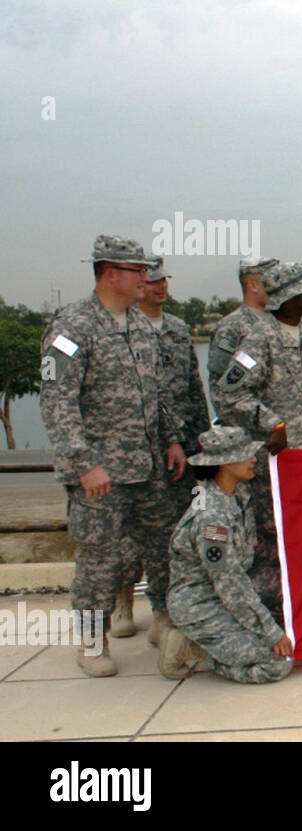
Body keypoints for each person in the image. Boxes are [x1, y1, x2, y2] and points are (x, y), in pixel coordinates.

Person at [39, 234, 188, 676]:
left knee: (165, 549)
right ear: (109, 273)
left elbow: (157, 394)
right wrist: (84, 463)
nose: (146, 277)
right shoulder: (71, 327)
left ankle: (165, 622)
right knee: (101, 561)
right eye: (137, 270)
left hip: (149, 467)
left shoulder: (140, 325)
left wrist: (174, 440)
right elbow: (57, 401)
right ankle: (91, 642)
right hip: (101, 474)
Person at [214, 261, 302, 619]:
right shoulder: (260, 338)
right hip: (275, 464)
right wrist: (272, 422)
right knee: (271, 544)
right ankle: (269, 619)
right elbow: (229, 395)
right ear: (288, 298)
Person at [111, 259, 211, 640]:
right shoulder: (118, 327)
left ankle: (164, 612)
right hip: (125, 451)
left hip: (176, 445)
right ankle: (121, 601)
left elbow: (191, 385)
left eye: (162, 280)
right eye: (151, 280)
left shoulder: (178, 329)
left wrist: (199, 435)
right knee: (123, 537)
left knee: (167, 531)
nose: (159, 286)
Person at [161, 425, 294, 683]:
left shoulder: (237, 494)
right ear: (224, 463)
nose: (254, 459)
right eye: (246, 455)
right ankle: (196, 651)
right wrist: (271, 633)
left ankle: (212, 643)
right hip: (202, 604)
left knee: (288, 619)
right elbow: (229, 582)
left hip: (227, 595)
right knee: (276, 662)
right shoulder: (212, 519)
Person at [208, 257, 278, 391]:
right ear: (253, 286)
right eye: (271, 280)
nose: (277, 286)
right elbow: (221, 387)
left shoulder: (279, 321)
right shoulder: (231, 327)